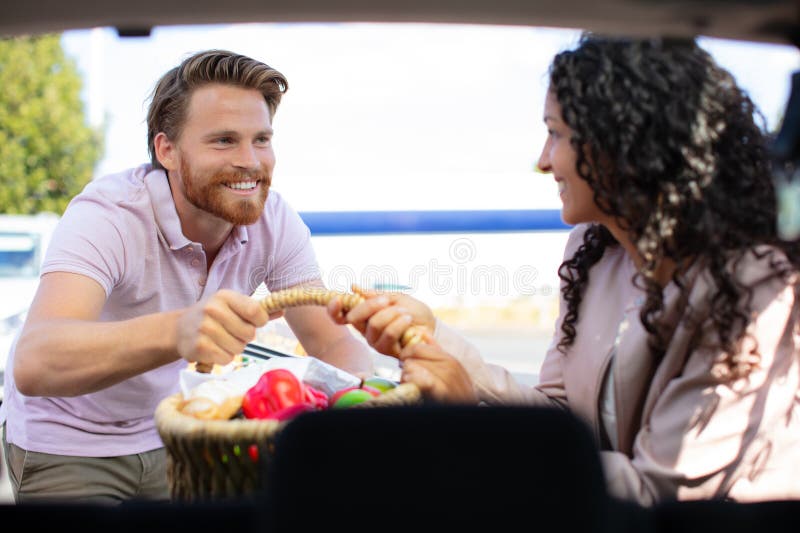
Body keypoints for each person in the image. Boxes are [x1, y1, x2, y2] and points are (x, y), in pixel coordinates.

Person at [329, 34, 800, 504]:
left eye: (556, 133)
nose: (542, 161)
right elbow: (562, 420)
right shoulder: (594, 254)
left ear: (622, 142)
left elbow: (656, 492)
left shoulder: (752, 289)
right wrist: (431, 340)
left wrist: (472, 429)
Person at [0, 49, 374, 504]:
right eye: (223, 141)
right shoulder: (109, 215)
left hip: (174, 431)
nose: (250, 161)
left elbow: (330, 342)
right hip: (69, 440)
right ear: (167, 150)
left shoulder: (275, 221)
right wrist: (179, 330)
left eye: (261, 139)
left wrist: (366, 405)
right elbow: (36, 363)